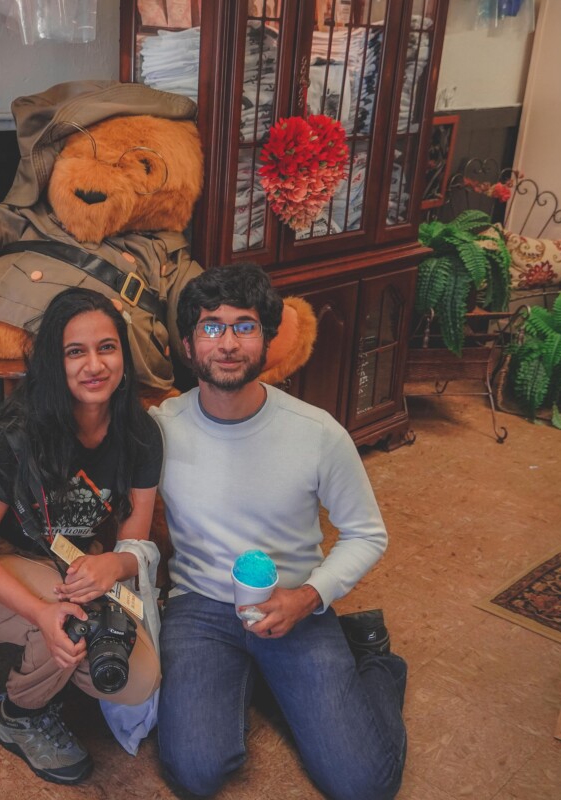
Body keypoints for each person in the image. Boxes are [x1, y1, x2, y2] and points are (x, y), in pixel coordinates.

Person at [150, 264, 408, 800]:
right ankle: (258, 680)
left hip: (292, 601)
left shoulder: (316, 433)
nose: (227, 343)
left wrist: (308, 596)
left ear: (267, 340)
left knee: (364, 786)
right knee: (194, 774)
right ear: (187, 343)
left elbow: (367, 533)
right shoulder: (163, 427)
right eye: (211, 326)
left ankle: (377, 663)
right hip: (199, 605)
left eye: (244, 326)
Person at [0, 287, 163, 786]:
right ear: (54, 364)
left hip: (67, 561)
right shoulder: (14, 433)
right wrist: (38, 613)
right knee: (63, 621)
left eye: (106, 347)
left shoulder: (141, 432)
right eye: (74, 352)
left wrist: (114, 566)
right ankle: (22, 714)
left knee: (138, 679)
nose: (94, 365)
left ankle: (56, 655)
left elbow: (134, 539)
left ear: (124, 352)